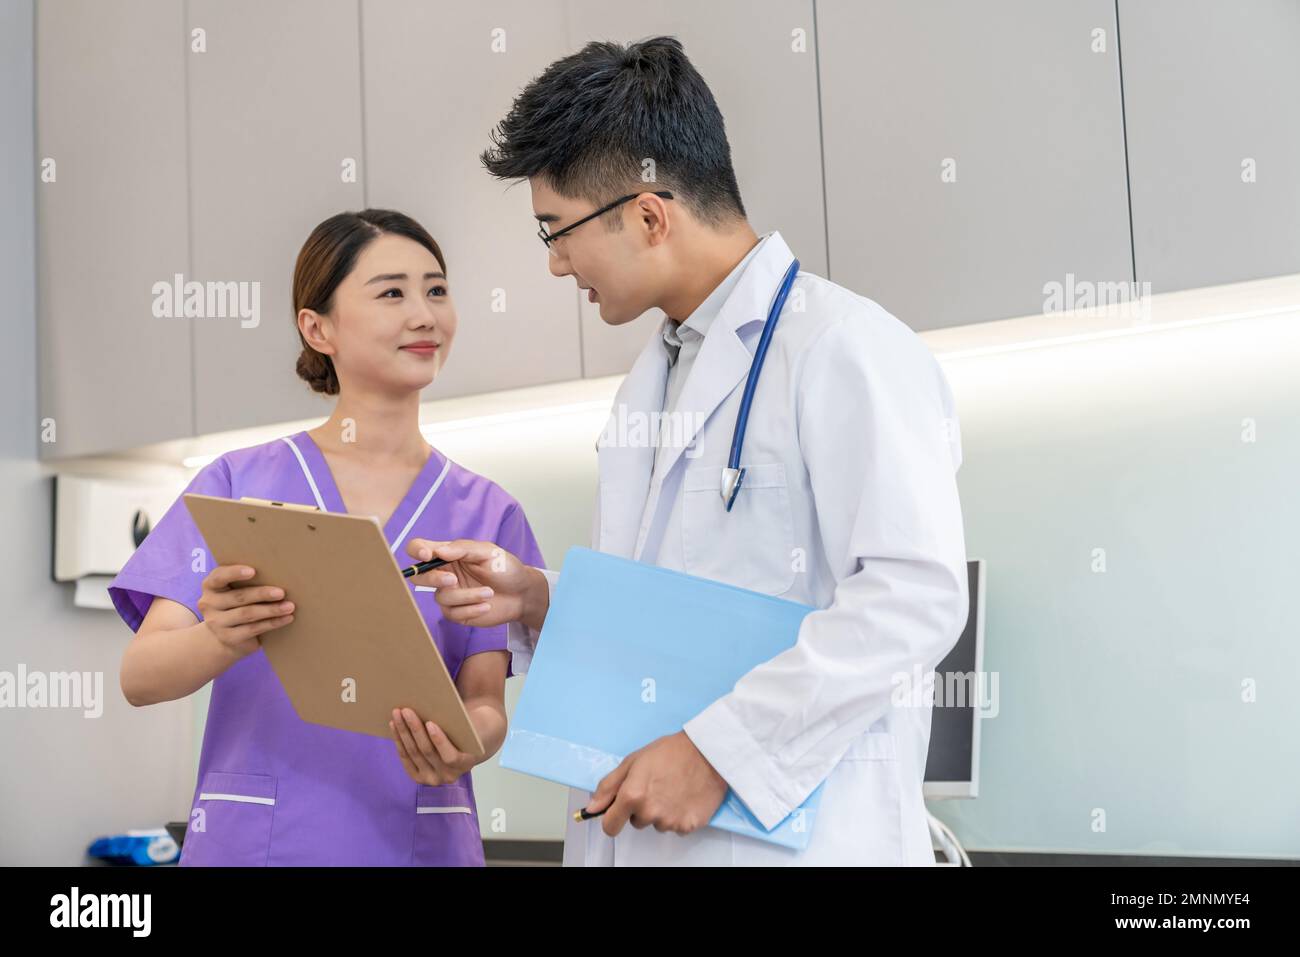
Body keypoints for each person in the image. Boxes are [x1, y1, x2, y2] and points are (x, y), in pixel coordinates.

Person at [407, 37, 969, 866]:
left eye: (556, 231)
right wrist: (535, 597)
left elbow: (914, 595)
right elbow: (678, 604)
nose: (557, 264)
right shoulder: (657, 376)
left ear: (648, 215)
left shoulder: (845, 347)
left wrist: (720, 751)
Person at [110, 209, 544, 866]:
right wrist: (220, 636)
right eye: (392, 292)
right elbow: (140, 677)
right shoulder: (237, 485)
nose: (424, 314)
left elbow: (484, 700)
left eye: (436, 289)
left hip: (419, 842)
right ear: (318, 328)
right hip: (259, 843)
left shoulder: (488, 512)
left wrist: (467, 743)